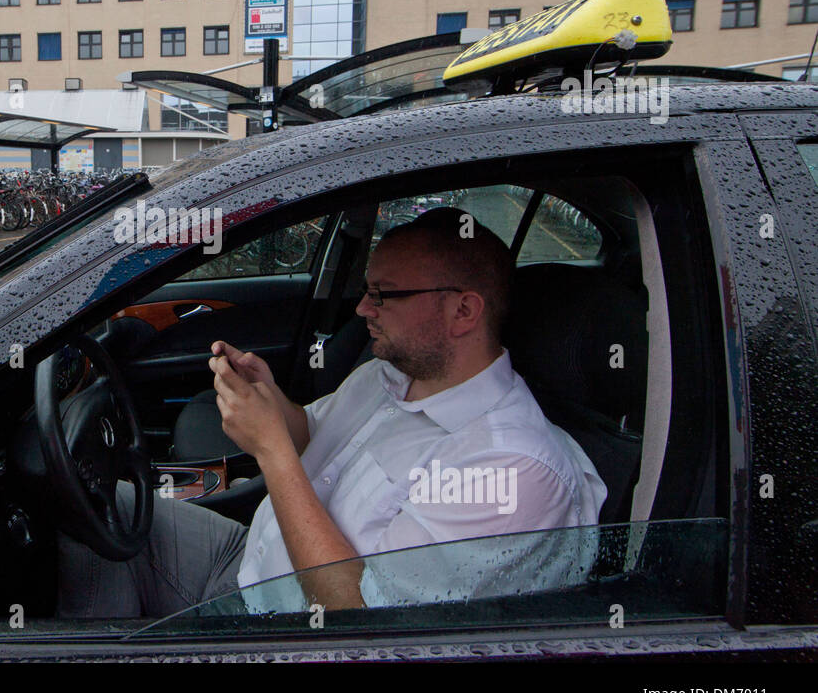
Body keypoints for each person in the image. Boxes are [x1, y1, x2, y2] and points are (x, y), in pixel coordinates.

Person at [56, 208, 607, 618]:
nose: (364, 309)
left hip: (290, 627)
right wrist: (272, 403)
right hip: (255, 560)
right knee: (98, 507)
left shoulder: (509, 469)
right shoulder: (388, 376)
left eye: (384, 295)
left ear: (463, 310)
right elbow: (311, 432)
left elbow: (363, 617)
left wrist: (270, 448)